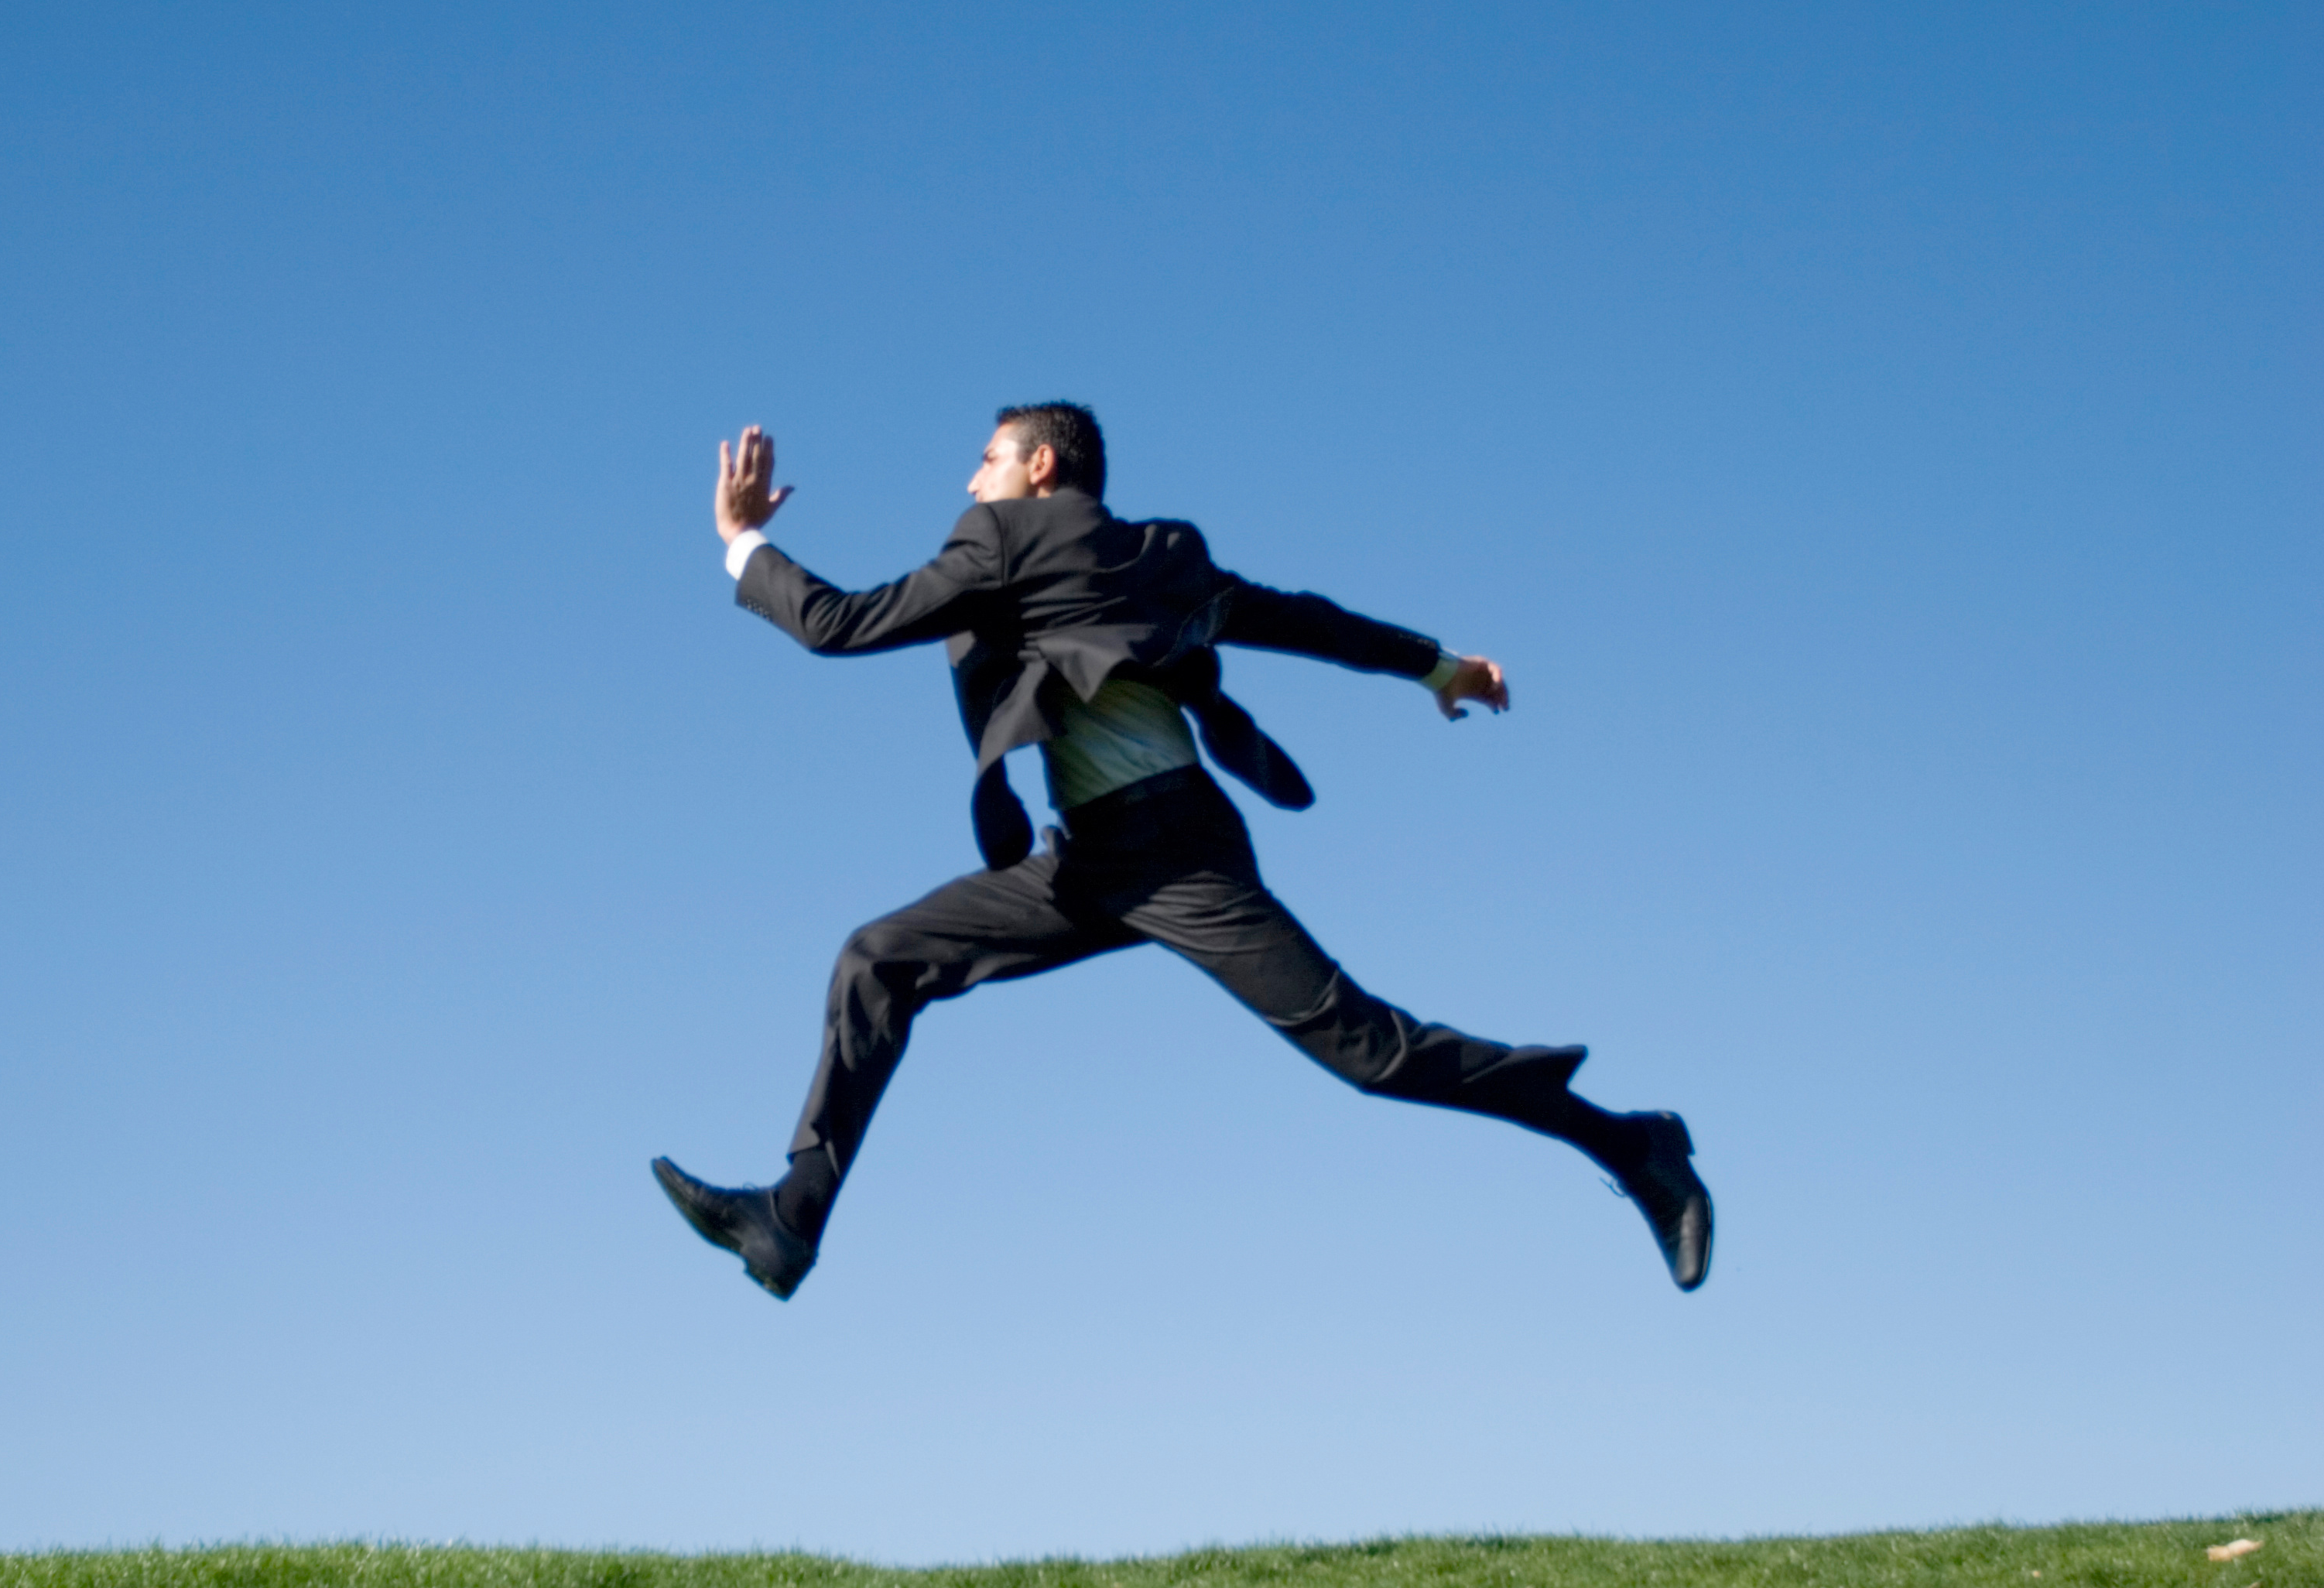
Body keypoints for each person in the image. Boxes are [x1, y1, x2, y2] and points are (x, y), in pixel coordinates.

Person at [652, 405, 1710, 1301]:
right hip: (1093, 861)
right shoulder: (1163, 555)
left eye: (987, 459)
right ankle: (787, 1224)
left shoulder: (1006, 539)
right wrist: (1432, 665)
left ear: (1041, 468)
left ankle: (1631, 1144)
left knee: (1370, 1050)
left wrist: (742, 542)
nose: (970, 479)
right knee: (879, 957)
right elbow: (1300, 619)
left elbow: (840, 623)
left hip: (1174, 858)